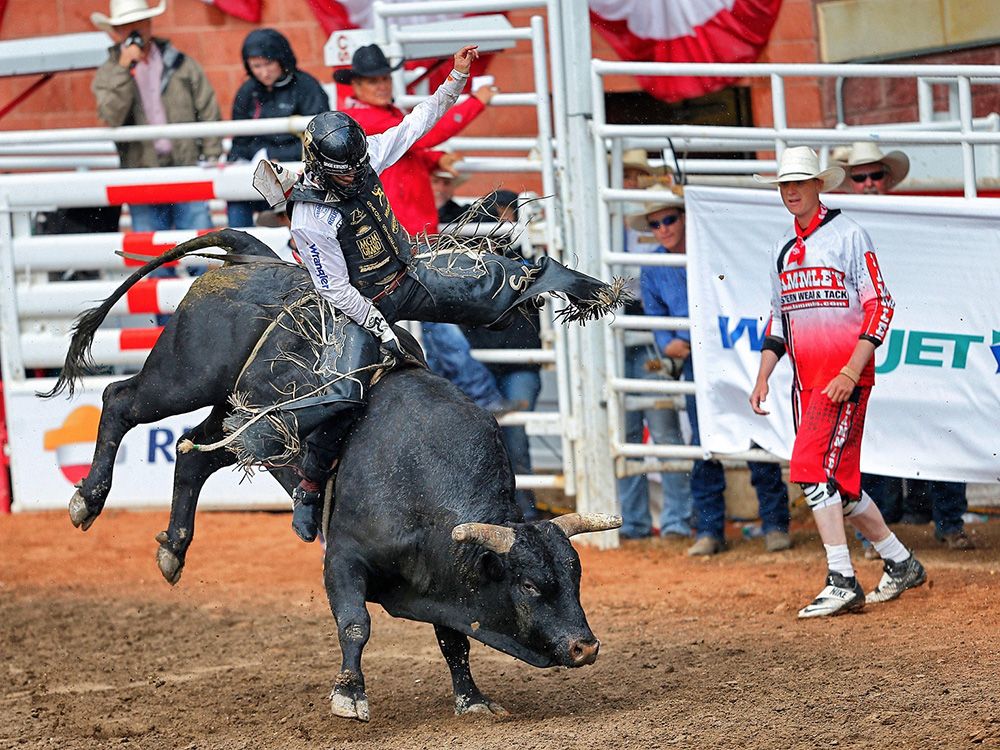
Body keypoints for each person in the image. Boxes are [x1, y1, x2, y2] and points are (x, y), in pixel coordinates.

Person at [750, 146, 926, 618]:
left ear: (818, 186)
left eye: (798, 183)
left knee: (810, 470)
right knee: (839, 485)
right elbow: (778, 319)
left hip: (842, 380)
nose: (790, 192)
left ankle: (842, 578)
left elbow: (880, 304)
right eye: (784, 185)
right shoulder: (782, 249)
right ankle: (900, 560)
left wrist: (852, 370)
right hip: (808, 383)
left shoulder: (849, 234)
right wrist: (764, 375)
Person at [629, 187, 790, 555]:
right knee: (705, 441)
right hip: (697, 358)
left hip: (729, 351)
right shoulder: (654, 266)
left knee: (751, 432)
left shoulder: (710, 252)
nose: (664, 228)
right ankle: (712, 528)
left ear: (684, 219)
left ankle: (771, 523)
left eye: (670, 219)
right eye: (656, 224)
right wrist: (666, 339)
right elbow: (656, 316)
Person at [839, 141, 974, 552]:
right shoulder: (840, 230)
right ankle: (874, 532)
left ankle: (949, 522)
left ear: (887, 179)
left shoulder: (913, 219)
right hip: (871, 341)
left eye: (874, 175)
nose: (868, 184)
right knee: (872, 435)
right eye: (859, 177)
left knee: (939, 426)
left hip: (915, 339)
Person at [91, 0, 221, 231]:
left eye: (139, 23)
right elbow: (112, 115)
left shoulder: (180, 63)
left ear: (149, 24)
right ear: (116, 33)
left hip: (185, 166)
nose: (134, 31)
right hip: (141, 171)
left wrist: (211, 155)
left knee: (199, 244)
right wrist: (123, 69)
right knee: (153, 255)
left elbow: (207, 106)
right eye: (126, 26)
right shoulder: (109, 73)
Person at [616, 152, 693, 540]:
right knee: (626, 430)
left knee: (663, 428)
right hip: (620, 324)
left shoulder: (631, 219)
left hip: (651, 322)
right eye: (624, 175)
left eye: (637, 176)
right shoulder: (610, 218)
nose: (630, 182)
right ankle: (633, 523)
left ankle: (677, 520)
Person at [226, 29, 330, 228]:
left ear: (282, 59)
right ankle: (239, 253)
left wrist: (276, 156)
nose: (263, 72)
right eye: (256, 66)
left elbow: (320, 140)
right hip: (258, 174)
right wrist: (255, 157)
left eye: (268, 64)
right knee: (235, 195)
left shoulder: (306, 87)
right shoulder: (248, 92)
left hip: (298, 175)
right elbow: (239, 144)